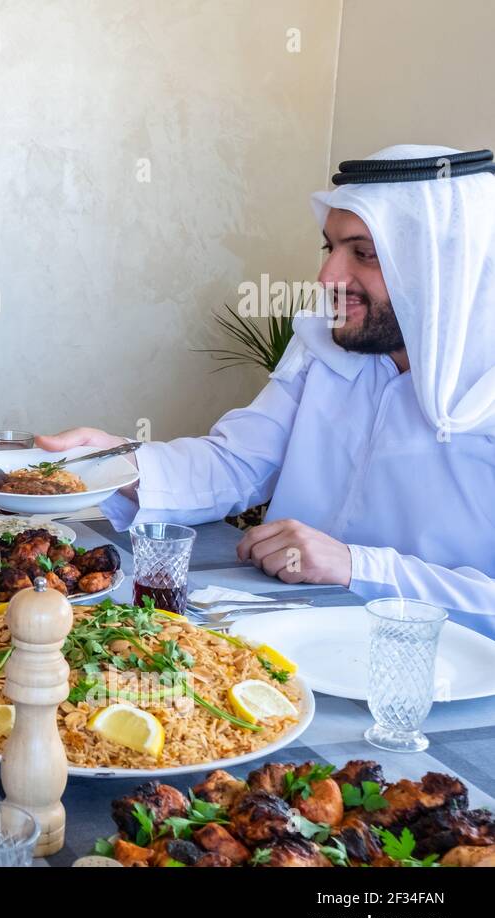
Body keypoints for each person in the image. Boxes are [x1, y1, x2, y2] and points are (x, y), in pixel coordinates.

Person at [41, 144, 495, 636]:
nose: (328, 277)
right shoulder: (325, 344)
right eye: (331, 248)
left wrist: (357, 567)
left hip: (443, 674)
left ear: (445, 268)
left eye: (363, 253)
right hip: (286, 639)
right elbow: (238, 462)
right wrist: (114, 460)